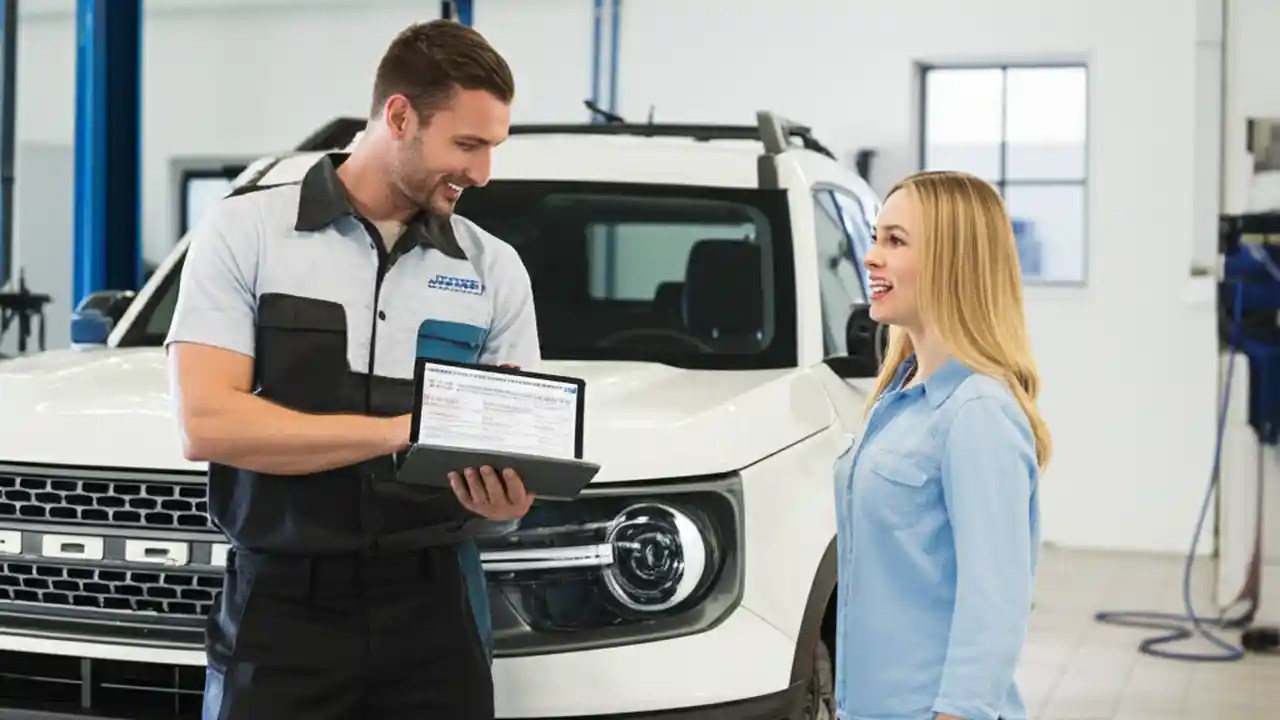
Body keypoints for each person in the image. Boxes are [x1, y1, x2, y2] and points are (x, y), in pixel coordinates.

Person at [164, 19, 538, 720]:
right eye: (467, 145)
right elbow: (207, 423)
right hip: (281, 610)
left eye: (492, 148)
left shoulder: (495, 270)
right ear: (399, 116)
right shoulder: (247, 232)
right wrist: (403, 430)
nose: (482, 174)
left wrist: (509, 502)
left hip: (437, 609)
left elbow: (511, 445)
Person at [832, 170, 1051, 720]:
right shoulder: (899, 395)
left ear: (952, 260)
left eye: (896, 241)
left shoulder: (977, 413)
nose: (871, 257)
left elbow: (995, 603)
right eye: (876, 237)